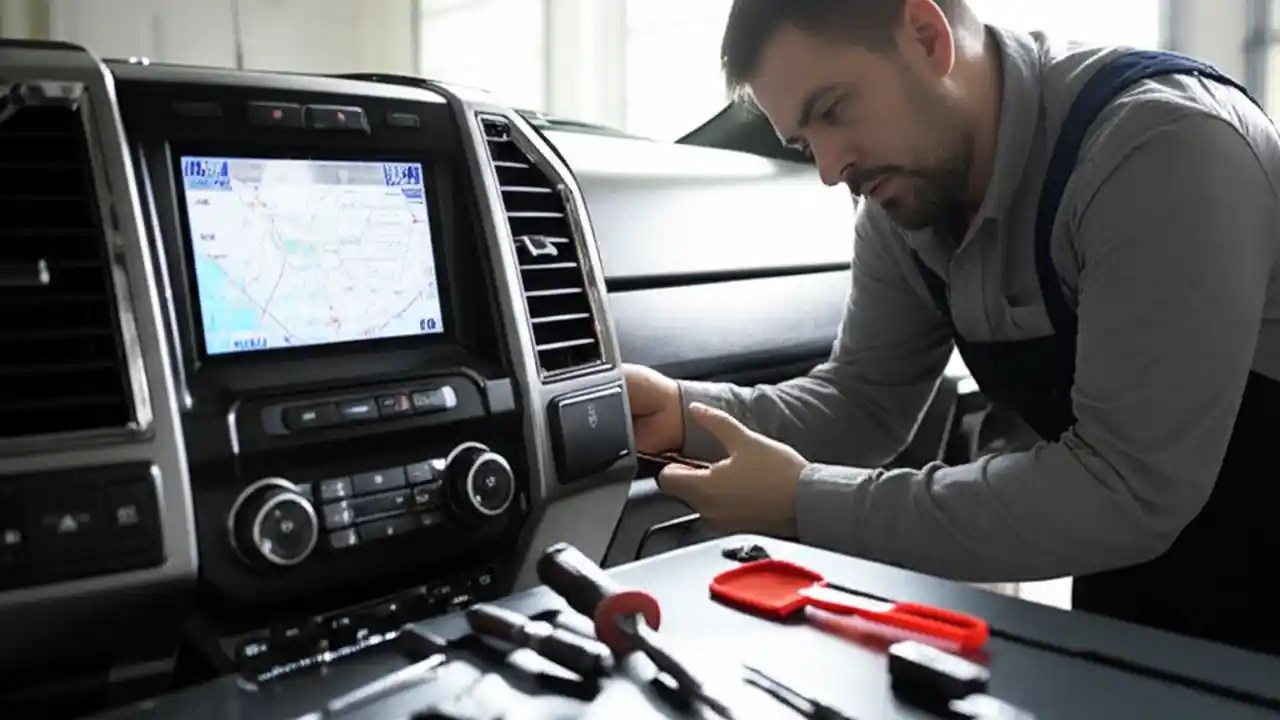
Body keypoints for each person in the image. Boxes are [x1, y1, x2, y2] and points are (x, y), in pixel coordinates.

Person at [623, 0, 1280, 656]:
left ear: (925, 35)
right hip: (1139, 584)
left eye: (832, 111)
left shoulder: (1158, 149)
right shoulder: (905, 200)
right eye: (802, 141)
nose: (828, 170)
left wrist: (803, 502)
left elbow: (1123, 489)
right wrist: (681, 414)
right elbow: (862, 405)